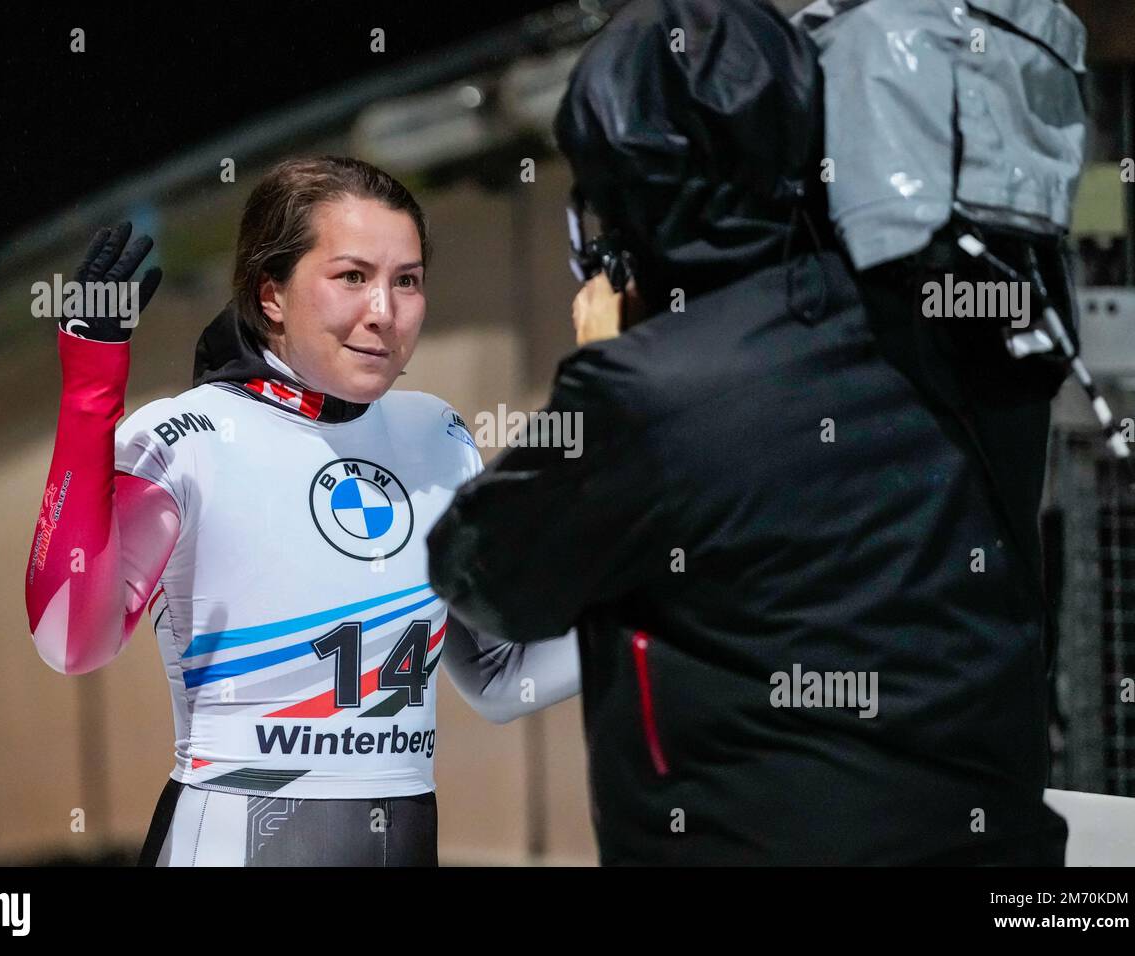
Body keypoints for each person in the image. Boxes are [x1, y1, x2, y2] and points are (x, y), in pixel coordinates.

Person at [427, 0, 1069, 865]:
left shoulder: (646, 393)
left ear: (625, 200)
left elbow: (484, 574)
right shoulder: (959, 343)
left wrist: (605, 362)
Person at [24, 156, 579, 866]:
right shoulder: (185, 437)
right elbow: (72, 639)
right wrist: (89, 386)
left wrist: (677, 607)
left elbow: (501, 676)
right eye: (352, 276)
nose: (384, 310)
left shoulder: (437, 435)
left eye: (405, 280)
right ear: (272, 295)